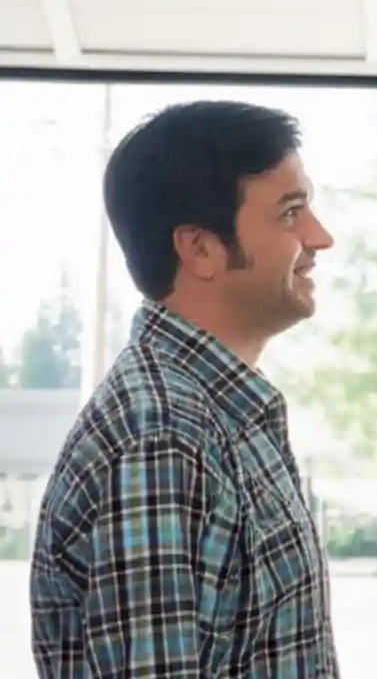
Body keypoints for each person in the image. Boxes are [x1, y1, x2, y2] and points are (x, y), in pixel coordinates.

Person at [29, 100, 339, 678]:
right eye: (291, 212)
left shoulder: (210, 416)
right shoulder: (163, 437)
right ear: (199, 249)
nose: (321, 237)